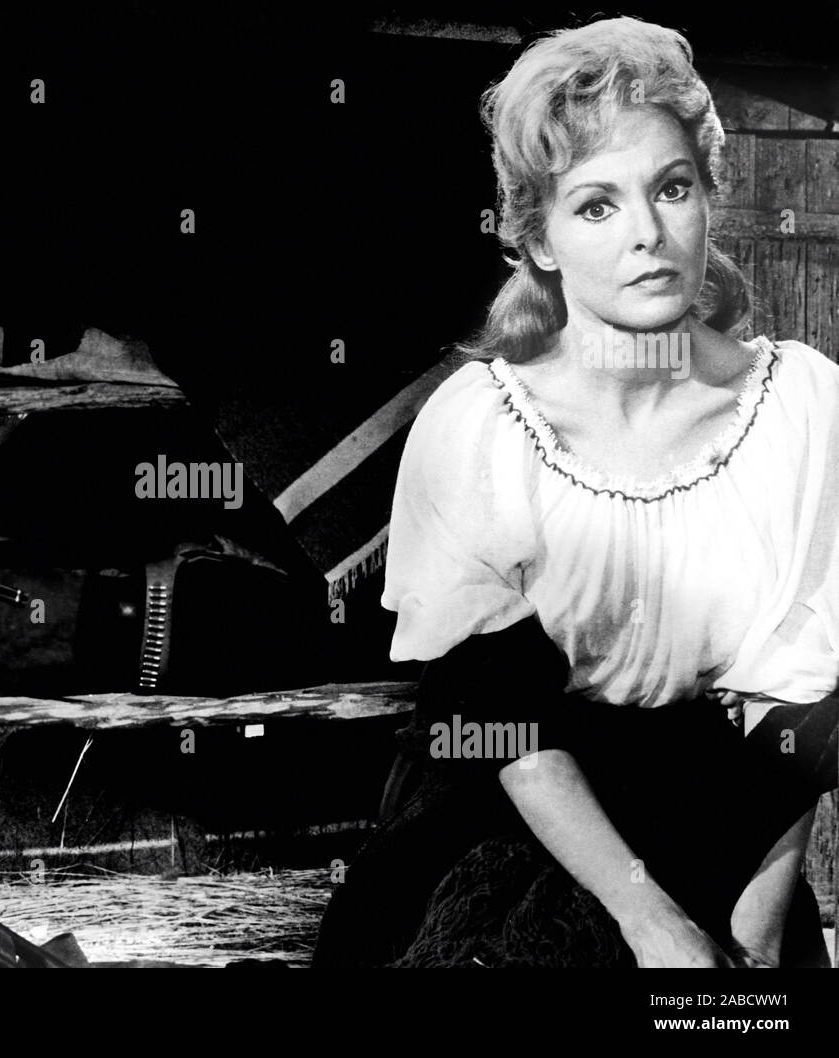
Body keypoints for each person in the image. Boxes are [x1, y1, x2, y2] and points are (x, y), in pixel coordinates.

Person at [315, 17, 838, 968]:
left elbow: (811, 709)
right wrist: (649, 921)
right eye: (596, 206)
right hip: (518, 820)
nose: (647, 234)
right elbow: (490, 720)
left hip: (730, 821)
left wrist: (757, 926)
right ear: (541, 242)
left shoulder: (805, 411)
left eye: (671, 189)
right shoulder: (481, 432)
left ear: (707, 197)